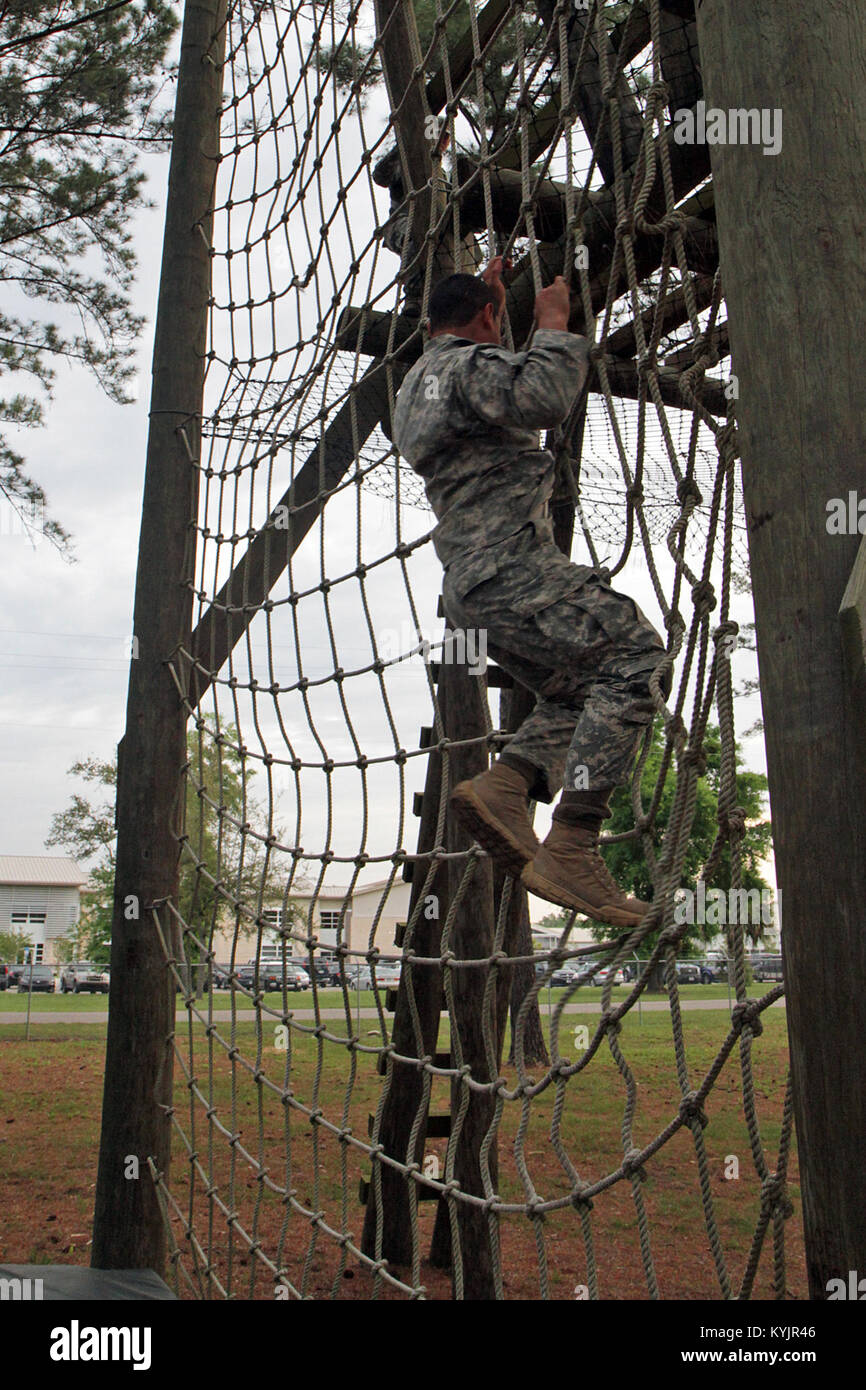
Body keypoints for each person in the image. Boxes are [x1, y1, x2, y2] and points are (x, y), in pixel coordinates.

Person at [390, 257, 668, 928]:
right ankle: (574, 839)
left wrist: (490, 295)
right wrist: (550, 327)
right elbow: (542, 398)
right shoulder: (467, 368)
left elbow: (492, 389)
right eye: (494, 318)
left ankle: (509, 783)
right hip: (511, 569)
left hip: (472, 587)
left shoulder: (415, 387)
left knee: (577, 689)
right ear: (485, 320)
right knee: (636, 655)